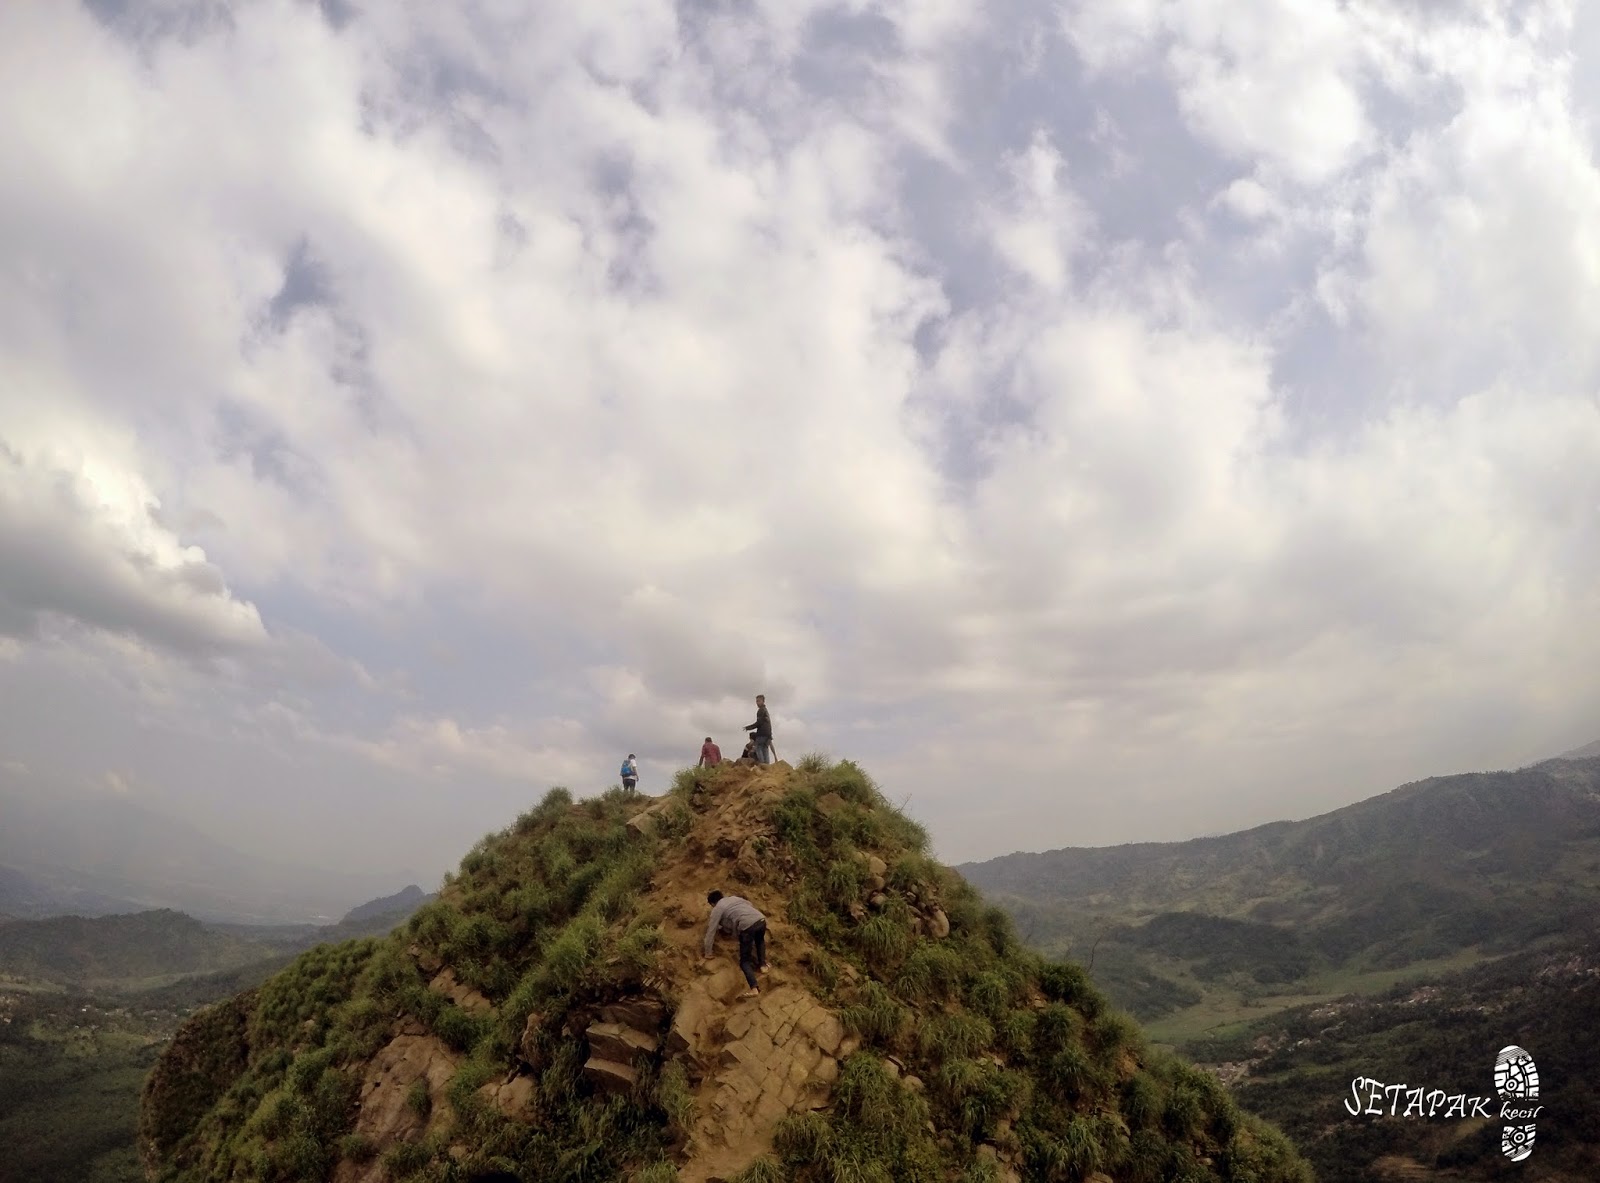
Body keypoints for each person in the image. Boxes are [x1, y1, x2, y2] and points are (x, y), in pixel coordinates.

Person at [703, 889, 767, 997]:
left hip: (747, 926)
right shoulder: (734, 898)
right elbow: (749, 904)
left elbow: (711, 930)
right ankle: (763, 965)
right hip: (760, 919)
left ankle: (754, 988)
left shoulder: (718, 908)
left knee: (744, 961)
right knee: (760, 940)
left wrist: (708, 951)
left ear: (713, 903)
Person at [743, 694, 773, 764]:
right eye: (756, 701)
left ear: (763, 701)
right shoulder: (766, 711)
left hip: (762, 733)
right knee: (765, 749)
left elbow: (758, 723)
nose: (757, 703)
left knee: (759, 747)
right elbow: (769, 724)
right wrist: (770, 735)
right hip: (767, 734)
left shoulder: (761, 710)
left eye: (758, 701)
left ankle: (762, 764)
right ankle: (767, 766)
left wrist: (748, 727)